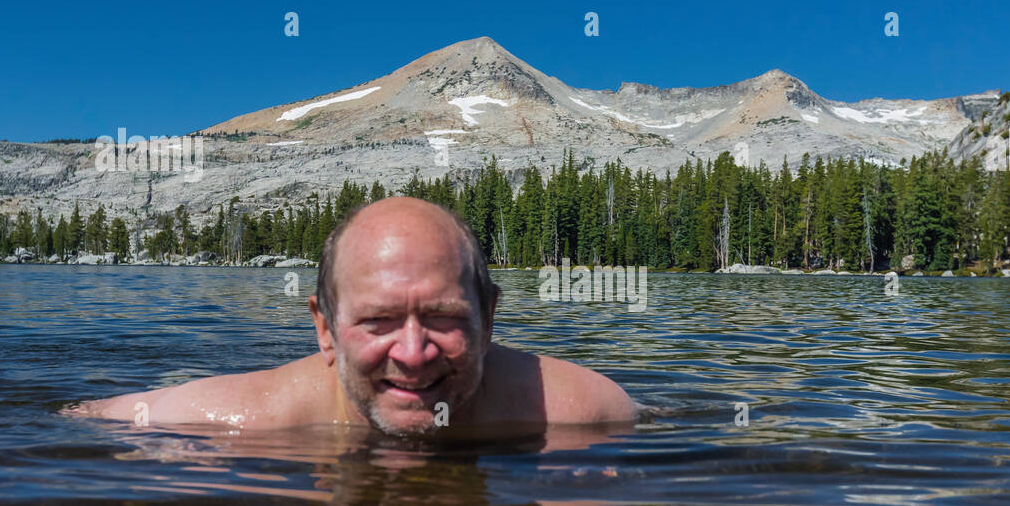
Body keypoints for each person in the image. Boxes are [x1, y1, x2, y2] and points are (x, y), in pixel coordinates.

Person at [73, 197, 638, 435]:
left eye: (442, 317)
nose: (413, 354)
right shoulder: (241, 419)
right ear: (325, 328)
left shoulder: (585, 414)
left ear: (488, 319)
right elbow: (84, 417)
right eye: (378, 322)